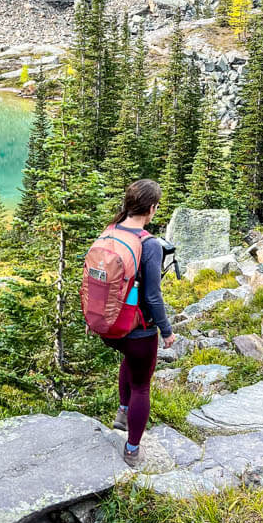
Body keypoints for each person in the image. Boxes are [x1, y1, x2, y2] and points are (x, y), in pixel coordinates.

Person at [102, 179, 174, 467]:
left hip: (109, 325)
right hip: (137, 327)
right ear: (152, 208)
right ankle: (132, 449)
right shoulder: (150, 244)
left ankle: (122, 411)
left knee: (128, 359)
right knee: (142, 386)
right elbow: (153, 296)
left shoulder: (111, 231)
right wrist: (166, 331)